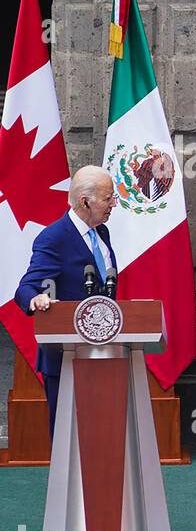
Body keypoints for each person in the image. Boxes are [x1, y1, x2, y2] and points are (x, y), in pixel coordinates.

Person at [14, 165, 120, 435]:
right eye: (108, 198)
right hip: (66, 357)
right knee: (68, 436)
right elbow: (25, 288)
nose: (114, 204)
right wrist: (36, 299)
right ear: (86, 201)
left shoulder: (102, 232)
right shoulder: (54, 238)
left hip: (102, 353)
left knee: (100, 434)